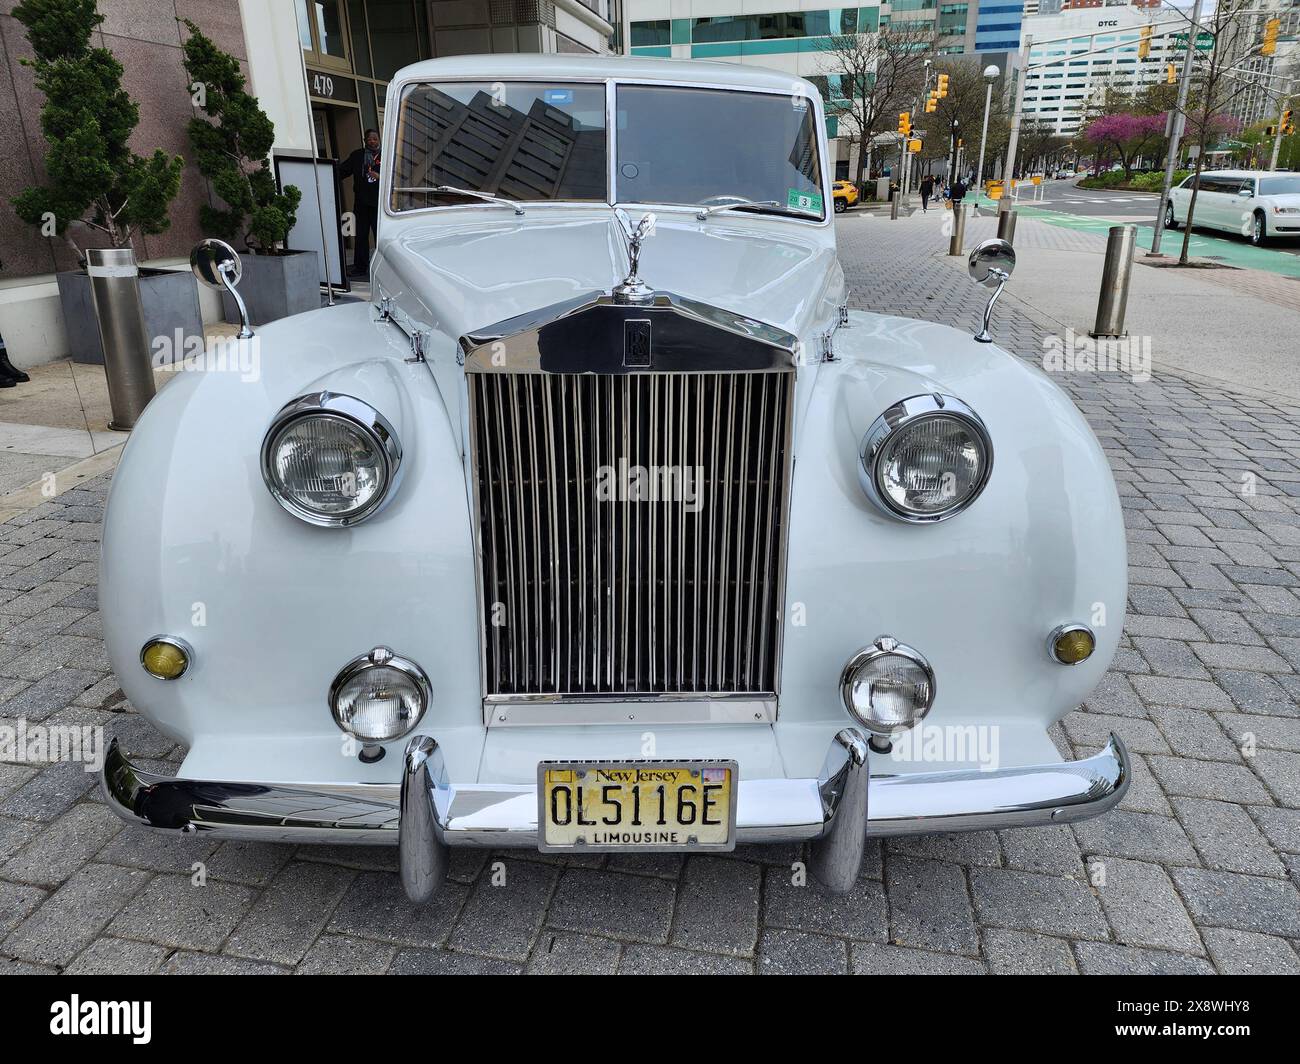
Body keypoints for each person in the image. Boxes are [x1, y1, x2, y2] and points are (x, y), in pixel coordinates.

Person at [338, 129, 381, 278]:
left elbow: (395, 177)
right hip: (361, 202)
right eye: (369, 139)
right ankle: (360, 267)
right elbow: (342, 171)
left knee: (380, 236)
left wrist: (379, 176)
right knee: (361, 236)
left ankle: (382, 267)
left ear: (379, 140)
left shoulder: (386, 156)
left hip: (379, 204)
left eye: (375, 139)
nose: (372, 141)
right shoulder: (357, 156)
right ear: (365, 140)